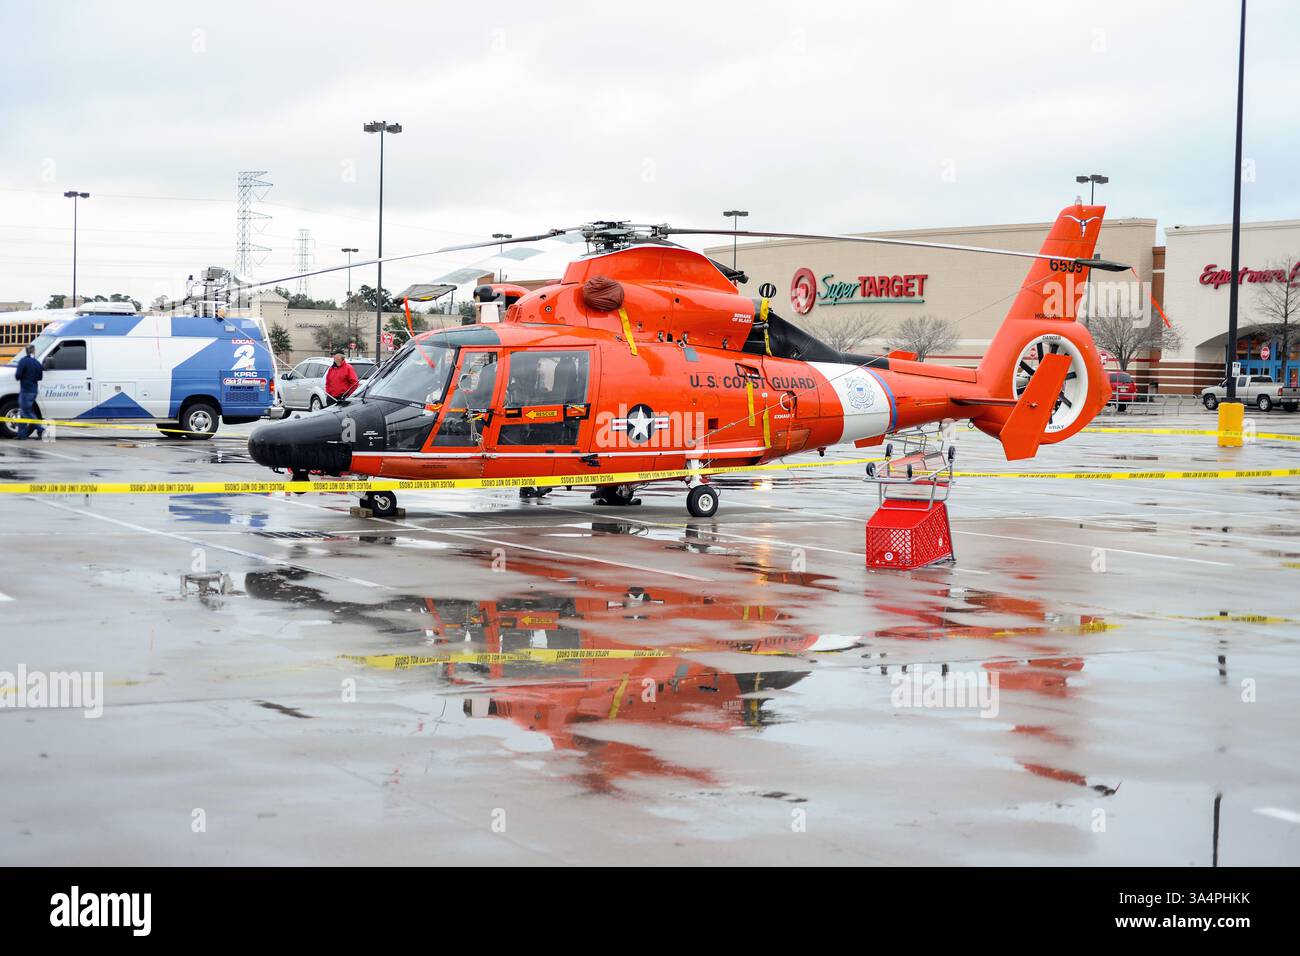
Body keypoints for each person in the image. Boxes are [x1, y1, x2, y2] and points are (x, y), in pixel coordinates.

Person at [13, 344, 45, 439]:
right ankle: (22, 435)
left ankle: (41, 429)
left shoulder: (23, 361)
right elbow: (40, 377)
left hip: (25, 390)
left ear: (26, 351)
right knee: (25, 412)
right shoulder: (37, 362)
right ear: (33, 351)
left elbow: (17, 375)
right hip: (34, 390)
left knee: (26, 412)